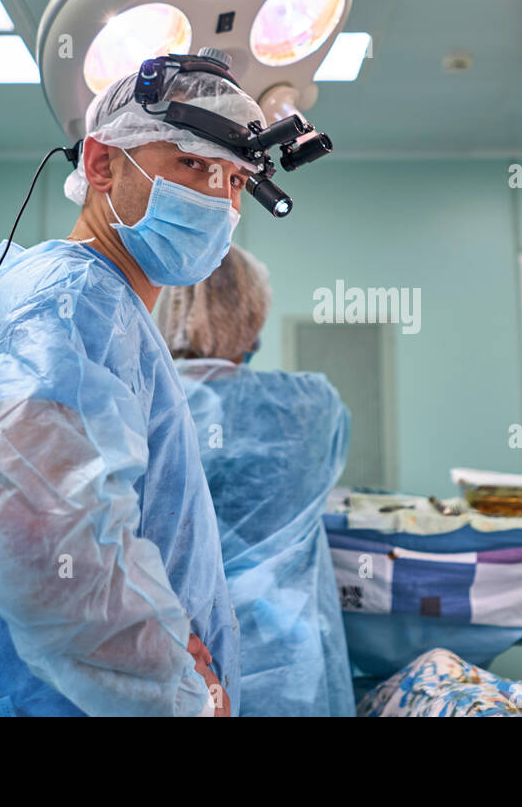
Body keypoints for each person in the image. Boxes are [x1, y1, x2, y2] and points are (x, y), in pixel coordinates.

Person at [0, 62, 269, 716]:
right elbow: (38, 539)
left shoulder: (105, 308)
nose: (220, 200)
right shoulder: (67, 301)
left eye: (235, 180)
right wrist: (177, 691)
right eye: (191, 164)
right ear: (101, 165)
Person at [156, 245, 356, 716]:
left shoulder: (142, 403)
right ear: (253, 316)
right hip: (287, 659)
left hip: (180, 661)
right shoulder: (312, 405)